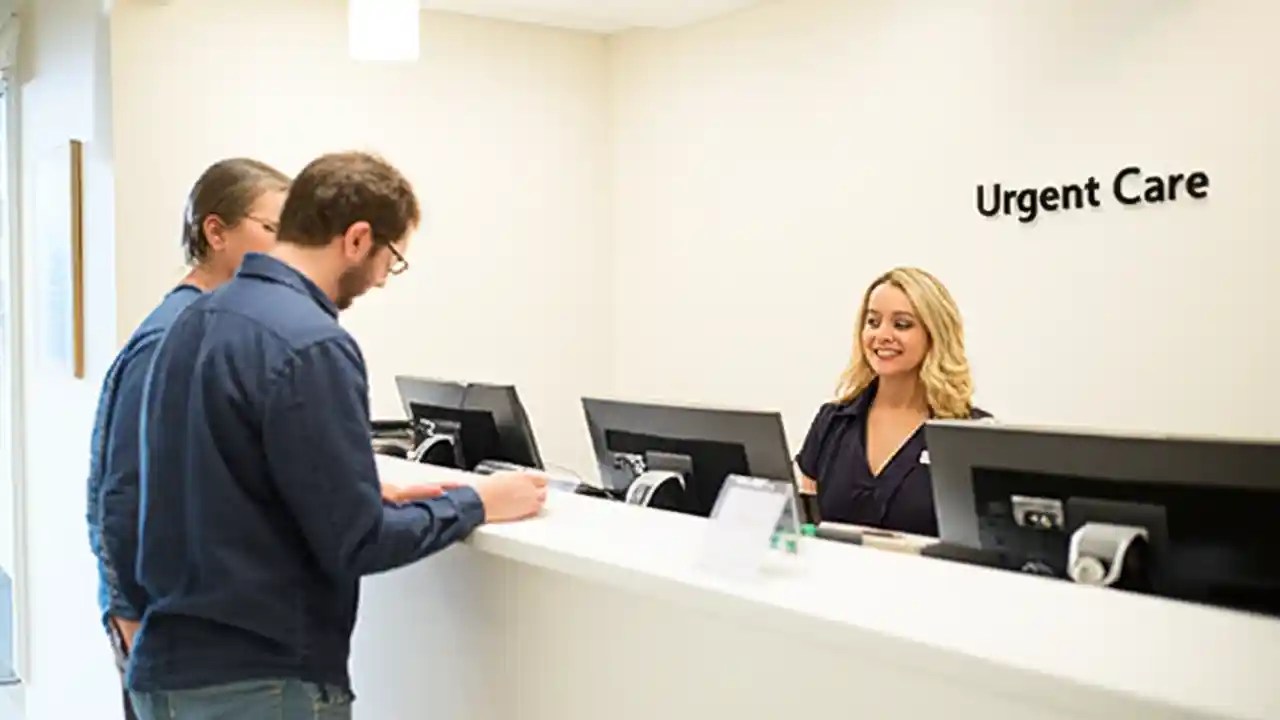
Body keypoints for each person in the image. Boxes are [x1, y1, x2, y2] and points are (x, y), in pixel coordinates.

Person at [127, 151, 548, 719]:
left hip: (167, 675)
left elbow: (221, 478)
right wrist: (476, 503)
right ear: (356, 239)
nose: (380, 279)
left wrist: (350, 487)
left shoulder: (194, 320)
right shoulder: (312, 343)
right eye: (390, 258)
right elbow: (356, 542)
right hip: (261, 686)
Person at [86, 157, 290, 719]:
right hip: (164, 634)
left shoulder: (218, 327)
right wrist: (128, 616)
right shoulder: (174, 335)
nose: (289, 248)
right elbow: (120, 487)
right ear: (216, 231)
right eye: (274, 229)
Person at [795, 267, 990, 537]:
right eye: (873, 322)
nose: (882, 335)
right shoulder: (832, 422)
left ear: (935, 334)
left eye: (902, 324)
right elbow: (807, 531)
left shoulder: (972, 434)